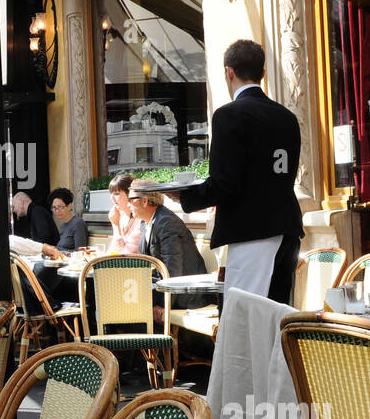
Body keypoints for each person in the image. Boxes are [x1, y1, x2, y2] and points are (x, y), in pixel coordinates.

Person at [176, 39, 302, 304]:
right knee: (278, 317)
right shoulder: (287, 117)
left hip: (251, 233)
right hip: (287, 229)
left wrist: (184, 196)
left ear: (229, 72)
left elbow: (226, 182)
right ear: (263, 73)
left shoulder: (229, 115)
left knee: (245, 321)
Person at [128, 183, 204, 321]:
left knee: (129, 308)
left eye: (131, 200)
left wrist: (165, 305)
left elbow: (173, 268)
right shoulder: (145, 223)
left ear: (145, 201)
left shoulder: (166, 222)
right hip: (164, 288)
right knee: (121, 295)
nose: (128, 205)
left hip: (185, 295)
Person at [106, 173, 142, 254]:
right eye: (111, 194)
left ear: (130, 194)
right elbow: (112, 251)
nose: (111, 198)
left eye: (116, 194)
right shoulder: (120, 215)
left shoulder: (141, 219)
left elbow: (126, 253)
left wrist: (115, 225)